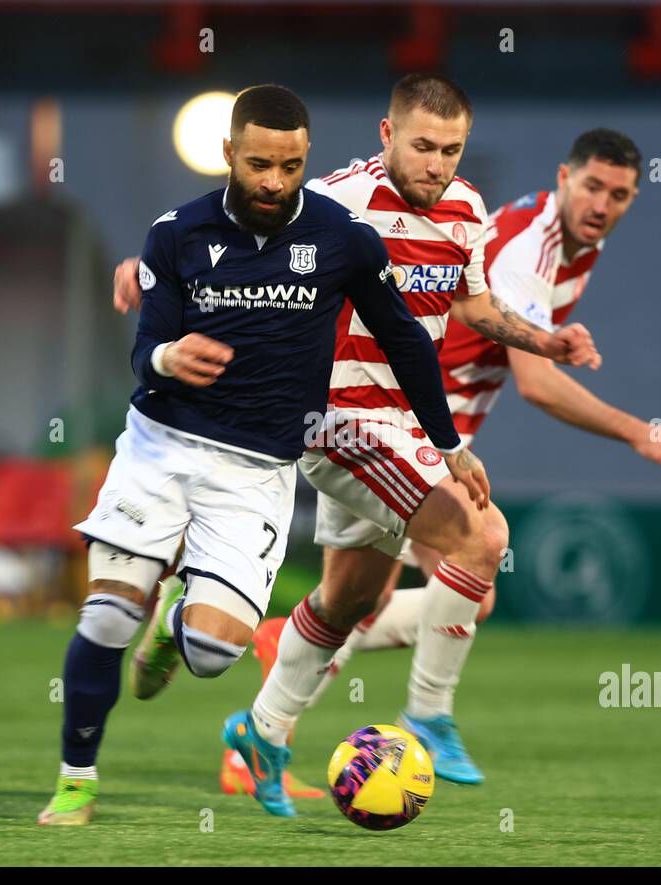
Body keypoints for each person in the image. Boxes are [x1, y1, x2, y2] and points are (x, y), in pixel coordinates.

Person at [114, 75, 602, 818]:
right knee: (482, 537)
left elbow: (471, 305)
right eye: (422, 146)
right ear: (386, 135)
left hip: (404, 430)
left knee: (350, 600)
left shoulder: (467, 209)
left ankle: (260, 730)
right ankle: (428, 718)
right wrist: (146, 271)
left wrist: (545, 339)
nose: (436, 163)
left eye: (451, 149)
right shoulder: (337, 200)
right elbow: (225, 229)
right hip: (336, 419)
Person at [39, 84, 485, 826]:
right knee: (108, 619)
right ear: (229, 155)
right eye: (258, 165)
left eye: (289, 166)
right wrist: (167, 358)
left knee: (214, 656)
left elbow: (407, 340)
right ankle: (76, 779)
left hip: (256, 472)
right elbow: (145, 350)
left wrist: (448, 444)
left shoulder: (344, 239)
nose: (274, 182)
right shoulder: (176, 233)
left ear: (305, 158)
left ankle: (178, 612)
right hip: (162, 448)